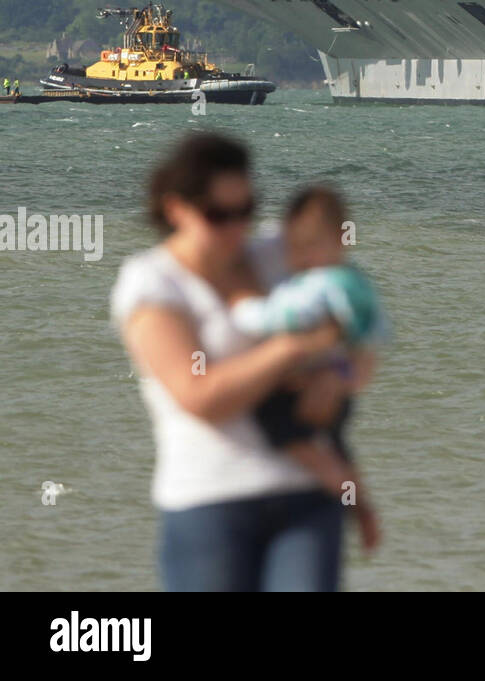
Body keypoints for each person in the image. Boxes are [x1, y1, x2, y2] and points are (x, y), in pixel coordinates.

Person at [111, 132, 357, 591]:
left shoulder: (271, 255)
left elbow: (353, 311)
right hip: (208, 503)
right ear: (175, 209)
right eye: (217, 216)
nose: (235, 229)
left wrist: (340, 376)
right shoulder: (152, 284)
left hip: (306, 495)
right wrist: (290, 349)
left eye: (245, 211)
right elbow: (200, 396)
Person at [228, 185, 383, 551]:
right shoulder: (356, 281)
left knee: (284, 432)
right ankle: (358, 502)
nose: (301, 256)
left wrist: (240, 309)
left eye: (310, 245)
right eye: (296, 247)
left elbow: (278, 316)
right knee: (337, 445)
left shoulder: (317, 285)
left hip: (308, 389)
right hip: (338, 388)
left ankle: (340, 485)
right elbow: (373, 336)